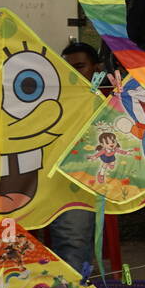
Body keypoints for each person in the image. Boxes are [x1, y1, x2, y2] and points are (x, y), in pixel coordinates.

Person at [50, 42, 113, 275]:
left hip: (90, 180)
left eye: (80, 67)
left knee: (71, 231)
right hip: (57, 178)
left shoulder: (111, 98)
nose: (74, 75)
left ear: (97, 69)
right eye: (67, 69)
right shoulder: (54, 100)